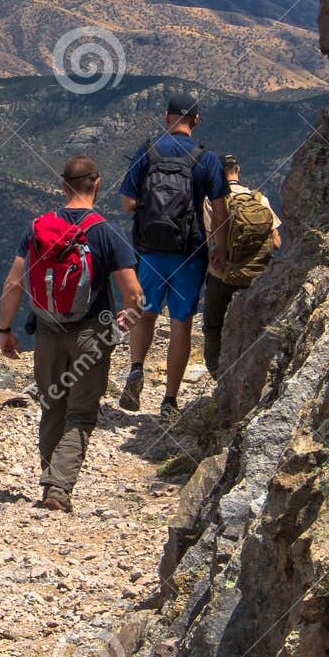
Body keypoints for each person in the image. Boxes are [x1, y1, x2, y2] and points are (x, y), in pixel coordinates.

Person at [0, 154, 143, 512]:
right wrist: (128, 318)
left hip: (47, 332)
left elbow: (14, 283)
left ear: (62, 186)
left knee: (52, 406)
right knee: (80, 414)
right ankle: (58, 488)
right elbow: (134, 293)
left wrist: (5, 330)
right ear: (97, 183)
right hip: (91, 334)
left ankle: (50, 478)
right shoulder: (106, 231)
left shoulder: (37, 228)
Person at [117, 93, 228, 420]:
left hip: (150, 250)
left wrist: (151, 210)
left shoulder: (148, 151)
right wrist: (218, 249)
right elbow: (220, 212)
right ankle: (169, 401)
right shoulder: (207, 159)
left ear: (167, 118)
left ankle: (136, 370)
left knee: (146, 313)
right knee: (181, 324)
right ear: (196, 119)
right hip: (189, 253)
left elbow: (126, 202)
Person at [202, 154, 282, 377]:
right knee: (255, 326)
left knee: (213, 326)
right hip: (256, 278)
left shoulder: (211, 201)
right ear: (238, 169)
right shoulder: (259, 199)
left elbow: (209, 241)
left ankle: (218, 375)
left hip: (222, 275)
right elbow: (276, 241)